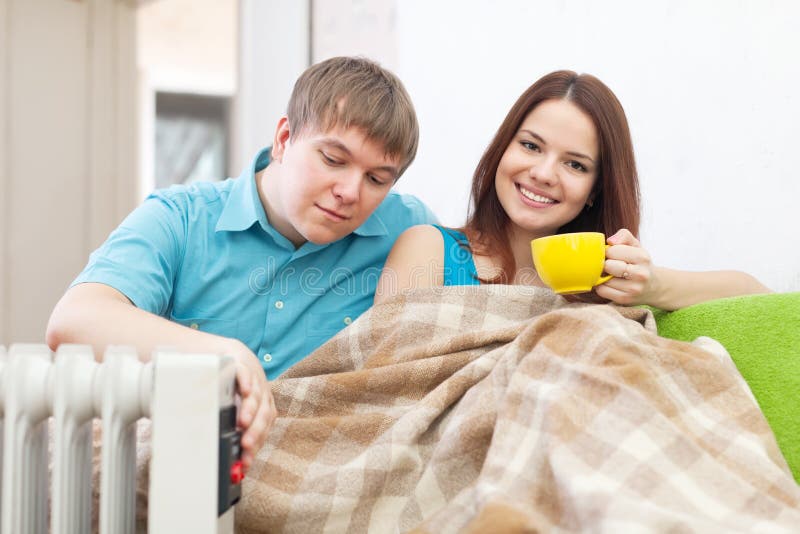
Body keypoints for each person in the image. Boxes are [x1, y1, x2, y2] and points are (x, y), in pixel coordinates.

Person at [46, 56, 437, 471]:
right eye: (333, 160)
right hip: (190, 477)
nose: (349, 191)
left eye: (377, 179)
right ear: (284, 139)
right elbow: (74, 320)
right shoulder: (181, 217)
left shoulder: (410, 231)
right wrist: (224, 355)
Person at [375, 70, 769, 309]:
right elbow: (387, 379)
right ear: (502, 151)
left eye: (575, 164)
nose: (544, 173)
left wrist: (652, 286)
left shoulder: (603, 285)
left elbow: (756, 294)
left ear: (596, 190)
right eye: (530, 146)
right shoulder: (428, 248)